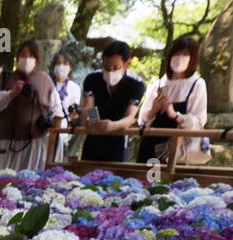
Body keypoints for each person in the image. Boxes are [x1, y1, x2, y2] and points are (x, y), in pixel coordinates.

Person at [0, 40, 64, 171]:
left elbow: (57, 110)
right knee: (4, 184)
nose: (27, 59)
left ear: (37, 60)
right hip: (5, 144)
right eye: (23, 55)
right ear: (17, 58)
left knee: (30, 185)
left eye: (31, 56)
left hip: (34, 145)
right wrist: (11, 93)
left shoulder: (45, 80)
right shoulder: (5, 77)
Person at [137, 35, 208, 164]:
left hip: (178, 150)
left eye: (185, 54)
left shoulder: (197, 84)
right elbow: (142, 121)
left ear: (193, 59)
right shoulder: (158, 84)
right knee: (147, 181)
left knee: (172, 183)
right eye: (177, 52)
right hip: (151, 146)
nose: (180, 57)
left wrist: (175, 115)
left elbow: (199, 122)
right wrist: (153, 110)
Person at [80, 40, 147, 163]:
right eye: (106, 68)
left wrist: (113, 126)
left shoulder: (136, 84)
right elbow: (88, 106)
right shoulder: (92, 79)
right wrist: (94, 121)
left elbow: (130, 117)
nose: (110, 72)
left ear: (127, 64)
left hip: (119, 142)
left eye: (115, 68)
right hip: (93, 139)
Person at [50, 52, 81, 163]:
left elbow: (74, 112)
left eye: (65, 63)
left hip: (62, 127)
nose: (61, 66)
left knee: (56, 159)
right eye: (58, 63)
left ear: (70, 67)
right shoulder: (48, 82)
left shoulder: (74, 87)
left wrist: (74, 115)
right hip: (45, 126)